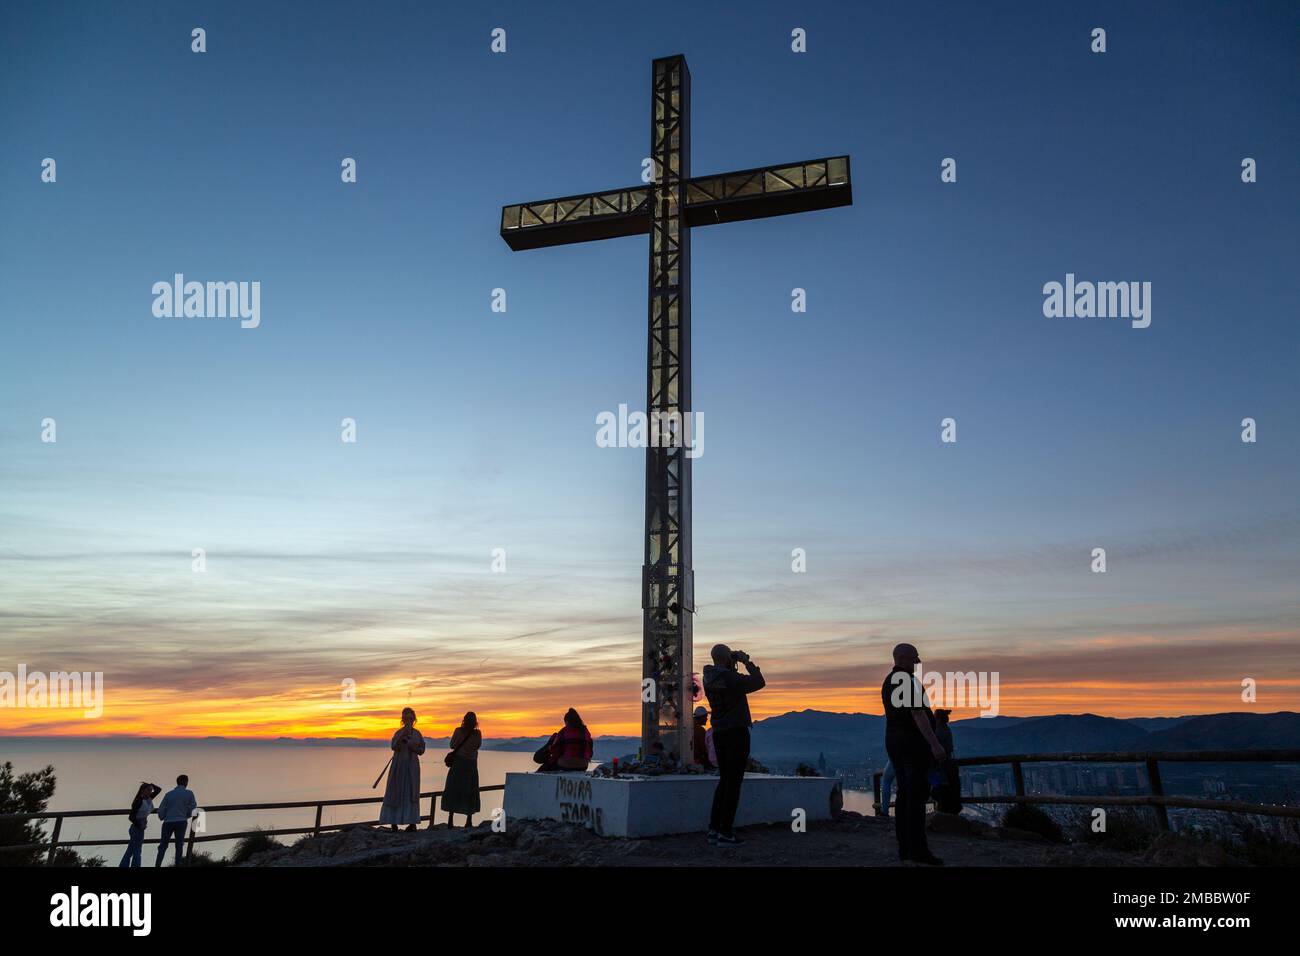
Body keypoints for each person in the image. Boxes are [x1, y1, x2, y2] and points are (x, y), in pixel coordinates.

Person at [882, 643, 946, 865]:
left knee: (904, 795)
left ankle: (906, 848)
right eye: (914, 658)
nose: (917, 663)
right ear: (901, 658)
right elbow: (917, 713)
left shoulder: (890, 681)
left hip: (895, 742)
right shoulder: (904, 681)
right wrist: (935, 744)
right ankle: (918, 850)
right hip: (912, 744)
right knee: (916, 796)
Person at [703, 643, 765, 847]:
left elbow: (728, 680)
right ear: (728, 658)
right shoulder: (730, 678)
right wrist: (746, 661)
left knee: (724, 781)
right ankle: (726, 832)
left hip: (719, 732)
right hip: (736, 732)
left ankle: (714, 828)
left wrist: (730, 662)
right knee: (734, 783)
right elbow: (759, 682)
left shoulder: (709, 677)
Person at [380, 707, 426, 831]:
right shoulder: (398, 733)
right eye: (406, 718)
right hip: (399, 767)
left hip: (412, 768)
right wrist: (402, 737)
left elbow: (422, 750)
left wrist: (414, 748)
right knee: (396, 792)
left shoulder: (417, 734)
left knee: (411, 793)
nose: (408, 721)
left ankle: (412, 823)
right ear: (403, 719)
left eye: (410, 718)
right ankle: (393, 822)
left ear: (414, 719)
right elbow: (394, 746)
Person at [441, 711, 482, 827]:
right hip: (471, 765)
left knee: (453, 789)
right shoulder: (477, 734)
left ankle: (450, 820)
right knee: (470, 790)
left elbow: (452, 745)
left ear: (464, 720)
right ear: (475, 722)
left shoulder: (458, 731)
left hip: (459, 763)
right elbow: (478, 745)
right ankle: (468, 821)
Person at [154, 774, 197, 867]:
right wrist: (187, 815)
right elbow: (193, 808)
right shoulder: (189, 793)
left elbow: (161, 810)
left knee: (163, 845)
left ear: (177, 782)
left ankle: (157, 865)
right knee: (179, 845)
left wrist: (163, 817)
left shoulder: (169, 794)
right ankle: (178, 864)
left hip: (168, 822)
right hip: (181, 821)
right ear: (186, 782)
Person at [119, 781, 161, 868]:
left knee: (130, 850)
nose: (150, 792)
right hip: (136, 828)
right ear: (142, 790)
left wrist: (151, 784)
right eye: (148, 790)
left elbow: (158, 790)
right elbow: (131, 817)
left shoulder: (148, 799)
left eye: (150, 790)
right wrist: (140, 824)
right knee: (137, 851)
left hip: (140, 829)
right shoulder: (139, 801)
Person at [932, 709, 963, 814]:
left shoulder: (938, 731)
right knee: (943, 788)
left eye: (934, 717)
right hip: (947, 765)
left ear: (938, 719)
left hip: (940, 766)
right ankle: (945, 811)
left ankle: (940, 813)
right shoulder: (947, 730)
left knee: (938, 788)